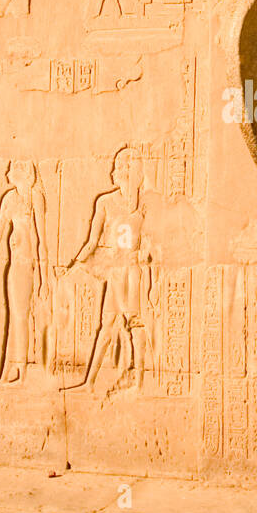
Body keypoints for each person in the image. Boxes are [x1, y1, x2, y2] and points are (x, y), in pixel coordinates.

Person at [61, 148, 156, 392]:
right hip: (117, 271)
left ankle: (138, 382)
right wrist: (74, 266)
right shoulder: (106, 203)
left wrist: (145, 255)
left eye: (118, 167)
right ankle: (89, 383)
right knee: (108, 324)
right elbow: (91, 243)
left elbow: (150, 244)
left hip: (131, 271)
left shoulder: (145, 206)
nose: (113, 171)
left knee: (133, 321)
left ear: (128, 172)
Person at [0, 161, 47, 385]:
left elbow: (42, 241)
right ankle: (7, 373)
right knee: (14, 318)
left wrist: (45, 279)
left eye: (12, 169)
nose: (7, 173)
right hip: (15, 266)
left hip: (28, 264)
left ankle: (20, 374)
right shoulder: (10, 199)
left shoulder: (35, 198)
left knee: (21, 318)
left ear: (24, 173)